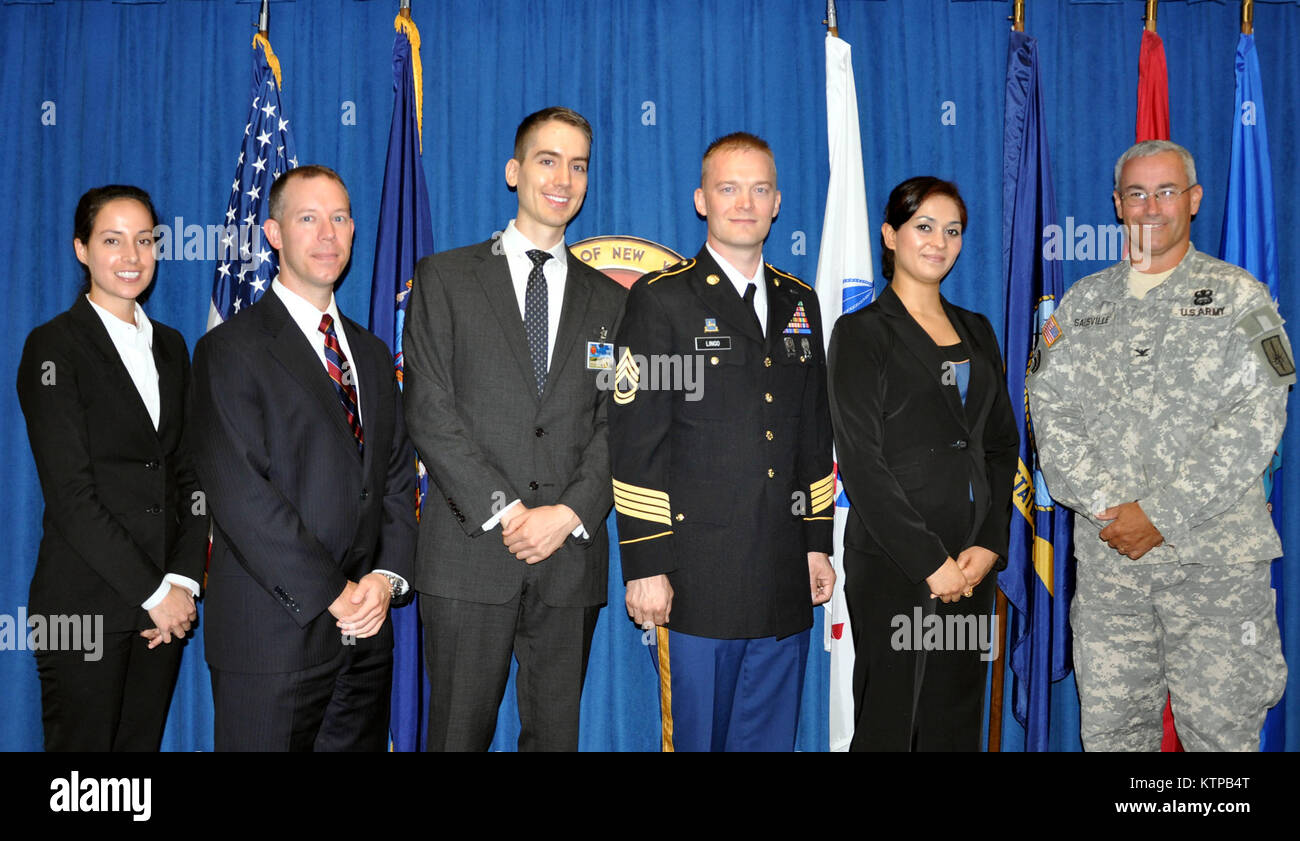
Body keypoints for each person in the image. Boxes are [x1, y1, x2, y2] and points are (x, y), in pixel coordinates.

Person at [1027, 140, 1292, 751]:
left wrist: (1159, 515)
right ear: (1118, 205)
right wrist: (1110, 508)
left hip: (1216, 570)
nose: (1152, 207)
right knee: (1115, 736)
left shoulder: (1242, 299)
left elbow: (1256, 422)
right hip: (1112, 567)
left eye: (1167, 191)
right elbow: (1051, 413)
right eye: (1137, 194)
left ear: (1194, 200)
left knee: (1220, 741)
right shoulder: (1082, 304)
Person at [402, 106, 626, 751]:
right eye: (547, 160)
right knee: (455, 738)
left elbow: (618, 423)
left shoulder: (613, 303)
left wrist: (567, 514)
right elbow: (430, 413)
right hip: (470, 557)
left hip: (569, 560)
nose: (564, 178)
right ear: (513, 171)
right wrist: (510, 512)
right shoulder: (443, 279)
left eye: (578, 165)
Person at [608, 132, 835, 752]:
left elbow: (814, 434)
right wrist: (647, 564)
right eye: (728, 188)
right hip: (696, 579)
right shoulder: (662, 299)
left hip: (783, 574)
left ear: (778, 202)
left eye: (759, 188)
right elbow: (636, 441)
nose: (745, 202)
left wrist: (818, 544)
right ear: (701, 200)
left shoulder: (801, 301)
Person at [190, 165, 417, 751]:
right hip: (272, 641)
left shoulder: (368, 351)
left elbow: (393, 479)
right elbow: (242, 495)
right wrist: (333, 592)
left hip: (365, 637)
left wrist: (385, 580)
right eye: (308, 218)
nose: (327, 235)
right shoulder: (229, 350)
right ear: (273, 233)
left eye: (339, 218)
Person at [826, 177, 1018, 751]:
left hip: (972, 563)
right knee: (890, 723)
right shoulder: (860, 332)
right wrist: (930, 563)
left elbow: (1001, 446)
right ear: (890, 235)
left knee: (954, 722)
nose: (939, 241)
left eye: (952, 230)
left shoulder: (978, 329)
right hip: (895, 564)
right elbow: (862, 463)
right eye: (924, 226)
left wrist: (988, 544)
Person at [16, 185, 206, 751]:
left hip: (163, 614)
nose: (131, 256)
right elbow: (72, 497)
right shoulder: (53, 349)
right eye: (112, 240)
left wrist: (182, 582)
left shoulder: (172, 347)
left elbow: (190, 478)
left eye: (144, 240)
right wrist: (154, 592)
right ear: (81, 249)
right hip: (85, 610)